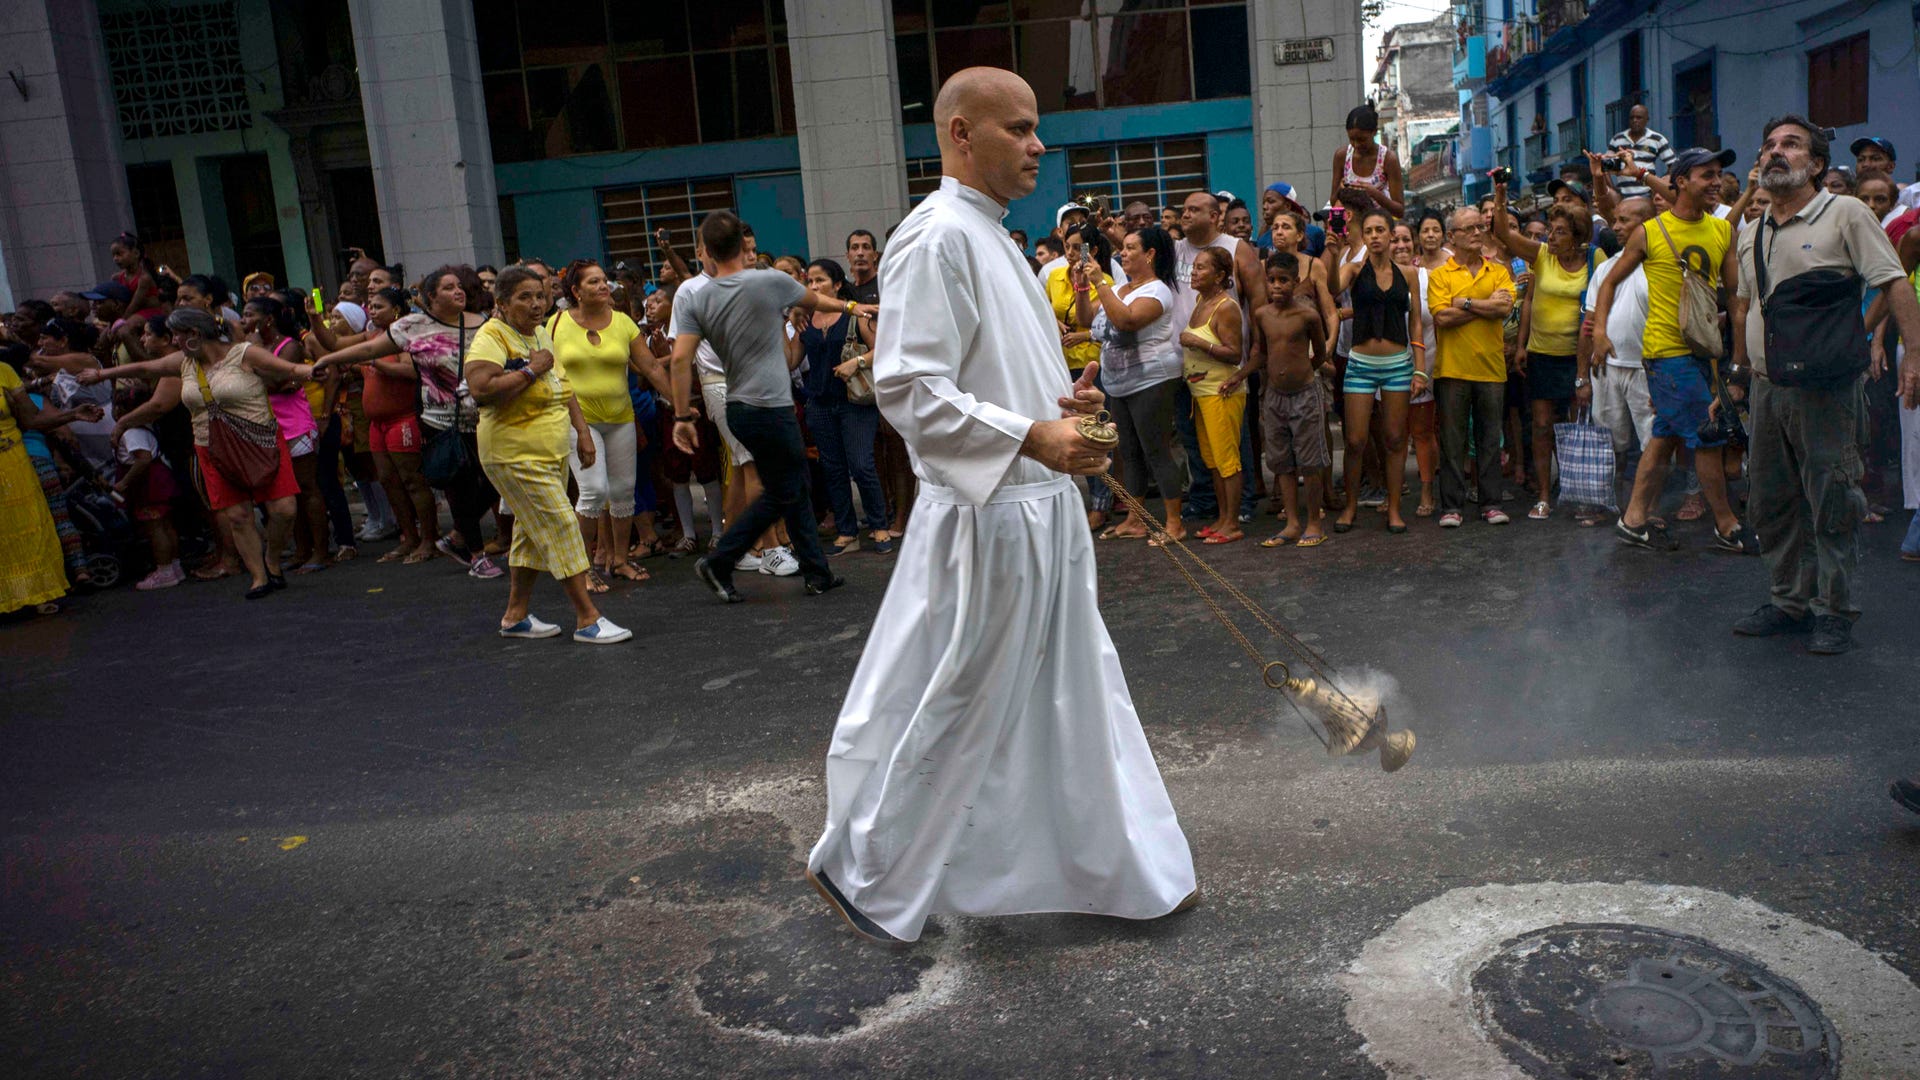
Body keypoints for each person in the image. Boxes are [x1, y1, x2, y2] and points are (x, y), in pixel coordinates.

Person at [804, 67, 1195, 945]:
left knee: (1075, 687)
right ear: (959, 134)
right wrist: (1030, 436)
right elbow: (909, 389)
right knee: (968, 697)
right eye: (1016, 129)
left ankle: (1124, 869)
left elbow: (992, 376)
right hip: (993, 515)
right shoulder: (935, 237)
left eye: (1035, 128)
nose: (1037, 145)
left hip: (1038, 502)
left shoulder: (992, 236)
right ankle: (870, 870)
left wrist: (1064, 409)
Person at [1729, 116, 1920, 655]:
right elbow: (1746, 304)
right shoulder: (1753, 230)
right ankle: (1789, 600)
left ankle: (1833, 610)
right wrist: (1741, 372)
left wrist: (1913, 358)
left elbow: (1894, 283)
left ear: (1815, 164)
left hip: (1827, 390)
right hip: (1769, 388)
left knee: (1833, 499)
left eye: (1790, 145)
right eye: (1769, 144)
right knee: (1771, 501)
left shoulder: (1846, 213)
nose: (1775, 152)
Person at [671, 210, 867, 602]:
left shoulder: (698, 296)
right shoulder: (769, 281)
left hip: (739, 407)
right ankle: (721, 559)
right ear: (742, 245)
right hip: (771, 408)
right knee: (783, 490)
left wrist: (681, 416)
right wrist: (854, 309)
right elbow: (815, 299)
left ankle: (816, 572)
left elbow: (679, 360)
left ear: (707, 250)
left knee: (791, 487)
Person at [83, 308, 317, 599]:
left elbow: (289, 369)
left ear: (193, 334)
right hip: (212, 448)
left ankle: (272, 558)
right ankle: (259, 577)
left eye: (177, 335)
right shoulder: (185, 363)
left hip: (261, 442)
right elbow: (146, 368)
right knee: (238, 516)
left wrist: (312, 370)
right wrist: (101, 374)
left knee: (284, 510)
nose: (174, 341)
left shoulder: (243, 354)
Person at [1591, 147, 1758, 556]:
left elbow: (1736, 298)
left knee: (1664, 436)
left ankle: (1633, 521)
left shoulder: (1723, 231)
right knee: (1706, 436)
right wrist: (1598, 331)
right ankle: (1726, 524)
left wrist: (1740, 358)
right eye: (1706, 175)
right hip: (1666, 354)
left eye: (1719, 174)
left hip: (1706, 352)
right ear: (1681, 181)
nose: (1716, 181)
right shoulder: (1651, 231)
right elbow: (1609, 282)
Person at [455, 266, 629, 643]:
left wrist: (582, 433)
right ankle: (588, 618)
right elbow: (481, 387)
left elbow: (564, 388)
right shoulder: (492, 336)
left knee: (529, 536)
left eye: (540, 295)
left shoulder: (538, 333)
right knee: (562, 525)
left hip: (548, 451)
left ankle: (515, 616)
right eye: (524, 297)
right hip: (514, 453)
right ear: (501, 303)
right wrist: (531, 371)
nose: (536, 304)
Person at [548, 260, 662, 586]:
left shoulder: (623, 321)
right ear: (575, 291)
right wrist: (577, 427)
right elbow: (553, 376)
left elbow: (651, 368)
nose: (603, 286)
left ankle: (619, 561)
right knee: (594, 491)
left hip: (621, 418)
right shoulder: (555, 325)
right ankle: (582, 569)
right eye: (593, 282)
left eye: (603, 281)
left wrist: (681, 407)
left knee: (624, 492)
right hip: (578, 421)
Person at [312, 286, 439, 563]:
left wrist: (376, 363)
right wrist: (313, 318)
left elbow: (410, 370)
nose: (372, 310)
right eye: (370, 305)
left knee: (412, 481)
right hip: (377, 424)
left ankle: (429, 541)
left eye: (379, 306)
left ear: (395, 310)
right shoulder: (371, 335)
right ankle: (409, 538)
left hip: (402, 420)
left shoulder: (405, 334)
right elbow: (333, 345)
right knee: (389, 481)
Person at [1492, 184, 1594, 520]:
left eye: (1560, 231)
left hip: (1578, 357)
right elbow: (1505, 235)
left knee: (1574, 426)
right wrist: (1501, 200)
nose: (1552, 236)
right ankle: (1544, 493)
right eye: (1551, 229)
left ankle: (1575, 489)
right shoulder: (1542, 255)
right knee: (1540, 425)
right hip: (1541, 355)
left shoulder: (1595, 258)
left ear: (1577, 236)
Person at [1086, 224, 1187, 544]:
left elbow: (1127, 320)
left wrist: (1101, 281)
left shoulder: (1157, 291)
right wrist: (1082, 285)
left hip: (1152, 379)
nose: (1123, 253)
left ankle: (1174, 523)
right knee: (1128, 452)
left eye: (1131, 248)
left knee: (1155, 451)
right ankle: (1135, 518)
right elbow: (1090, 320)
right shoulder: (1118, 288)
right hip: (1119, 381)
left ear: (1151, 254)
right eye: (1123, 247)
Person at [1327, 209, 1421, 532]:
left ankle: (1394, 509)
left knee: (1395, 439)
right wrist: (1332, 252)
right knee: (1355, 440)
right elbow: (1329, 288)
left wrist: (1420, 370)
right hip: (1361, 363)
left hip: (1397, 363)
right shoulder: (1353, 269)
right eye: (1369, 231)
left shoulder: (1408, 274)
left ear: (1391, 234)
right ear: (1363, 236)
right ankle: (1350, 505)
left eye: (1381, 230)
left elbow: (1417, 323)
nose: (1376, 236)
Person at [793, 257, 891, 558]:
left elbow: (884, 348)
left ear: (837, 285)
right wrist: (781, 323)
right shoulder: (805, 319)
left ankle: (879, 525)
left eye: (820, 280)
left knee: (862, 464)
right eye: (809, 281)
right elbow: (791, 361)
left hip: (854, 402)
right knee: (832, 469)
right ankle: (848, 532)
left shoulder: (854, 315)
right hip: (819, 402)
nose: (813, 286)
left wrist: (856, 362)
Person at [1428, 207, 1516, 528]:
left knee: (1491, 440)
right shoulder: (1440, 274)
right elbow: (1441, 317)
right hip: (1452, 369)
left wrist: (1464, 302)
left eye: (1480, 227)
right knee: (1453, 444)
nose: (1478, 233)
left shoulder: (1499, 271)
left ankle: (1491, 502)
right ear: (1452, 237)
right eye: (1469, 229)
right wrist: (1486, 306)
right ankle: (1452, 506)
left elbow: (1505, 307)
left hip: (1492, 368)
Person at [1, 358, 102, 615]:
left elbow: (31, 421)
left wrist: (72, 414)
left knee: (28, 526)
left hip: (13, 463)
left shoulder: (4, 371)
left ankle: (36, 594)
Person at [1580, 196, 1658, 510]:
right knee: (1609, 441)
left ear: (1647, 223)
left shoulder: (1661, 266)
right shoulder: (1606, 268)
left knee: (1653, 441)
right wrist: (1582, 375)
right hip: (1607, 366)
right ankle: (1608, 503)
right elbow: (1588, 322)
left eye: (1625, 220)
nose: (1616, 227)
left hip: (1647, 368)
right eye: (1616, 219)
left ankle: (1648, 510)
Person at [243, 297, 328, 573]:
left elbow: (273, 381)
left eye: (250, 315)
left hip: (296, 425)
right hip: (270, 427)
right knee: (287, 492)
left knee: (307, 488)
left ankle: (321, 551)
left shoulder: (288, 346)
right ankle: (301, 549)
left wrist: (256, 364)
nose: (244, 321)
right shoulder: (257, 350)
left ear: (268, 319)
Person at [1250, 255, 1331, 547]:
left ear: (1296, 282)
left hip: (1305, 394)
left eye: (1283, 280)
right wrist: (1239, 376)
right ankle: (1292, 522)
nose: (1276, 286)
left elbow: (1320, 353)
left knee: (1310, 462)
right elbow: (1261, 352)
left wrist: (1306, 372)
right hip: (1275, 396)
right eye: (1271, 280)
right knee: (1281, 461)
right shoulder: (1262, 314)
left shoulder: (1307, 316)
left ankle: (1314, 522)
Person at [1178, 247, 1249, 543]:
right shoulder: (1199, 301)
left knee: (1227, 460)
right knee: (1213, 461)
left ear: (1220, 275)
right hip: (1201, 394)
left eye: (1202, 268)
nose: (1194, 272)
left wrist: (1197, 342)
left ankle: (1232, 523)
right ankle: (1222, 518)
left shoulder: (1226, 307)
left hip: (1221, 392)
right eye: (1194, 267)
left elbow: (1234, 355)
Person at [1391, 221, 1441, 516]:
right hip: (1388, 365)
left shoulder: (1429, 277)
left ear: (1415, 244)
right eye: (1394, 239)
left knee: (1422, 433)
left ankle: (1427, 490)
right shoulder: (1375, 278)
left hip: (1427, 363)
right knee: (1393, 435)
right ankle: (1393, 493)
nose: (1400, 245)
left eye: (1406, 240)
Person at [1330, 103, 1406, 218]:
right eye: (1352, 139)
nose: (1356, 145)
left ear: (1374, 132)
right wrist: (1341, 190)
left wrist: (1375, 194)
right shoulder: (1342, 156)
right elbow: (1333, 202)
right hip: (1351, 227)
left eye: (1362, 140)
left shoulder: (1388, 159)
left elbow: (1399, 210)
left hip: (1376, 225)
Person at [1606, 103, 1673, 201]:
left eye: (1639, 117)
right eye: (1632, 118)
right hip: (1623, 196)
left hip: (1647, 196)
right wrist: (1613, 189)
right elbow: (1606, 167)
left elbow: (1673, 165)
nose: (1634, 120)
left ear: (1647, 120)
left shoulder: (1657, 139)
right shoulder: (1617, 139)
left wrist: (1658, 185)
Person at [109, 232, 164, 320]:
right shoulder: (116, 278)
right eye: (113, 255)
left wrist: (121, 321)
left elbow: (135, 304)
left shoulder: (144, 279)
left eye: (119, 254)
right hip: (130, 313)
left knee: (126, 328)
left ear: (136, 253)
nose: (115, 258)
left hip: (151, 313)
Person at [845, 229, 881, 306]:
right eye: (855, 248)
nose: (860, 253)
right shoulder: (846, 293)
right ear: (848, 256)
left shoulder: (885, 287)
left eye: (866, 247)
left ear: (875, 255)